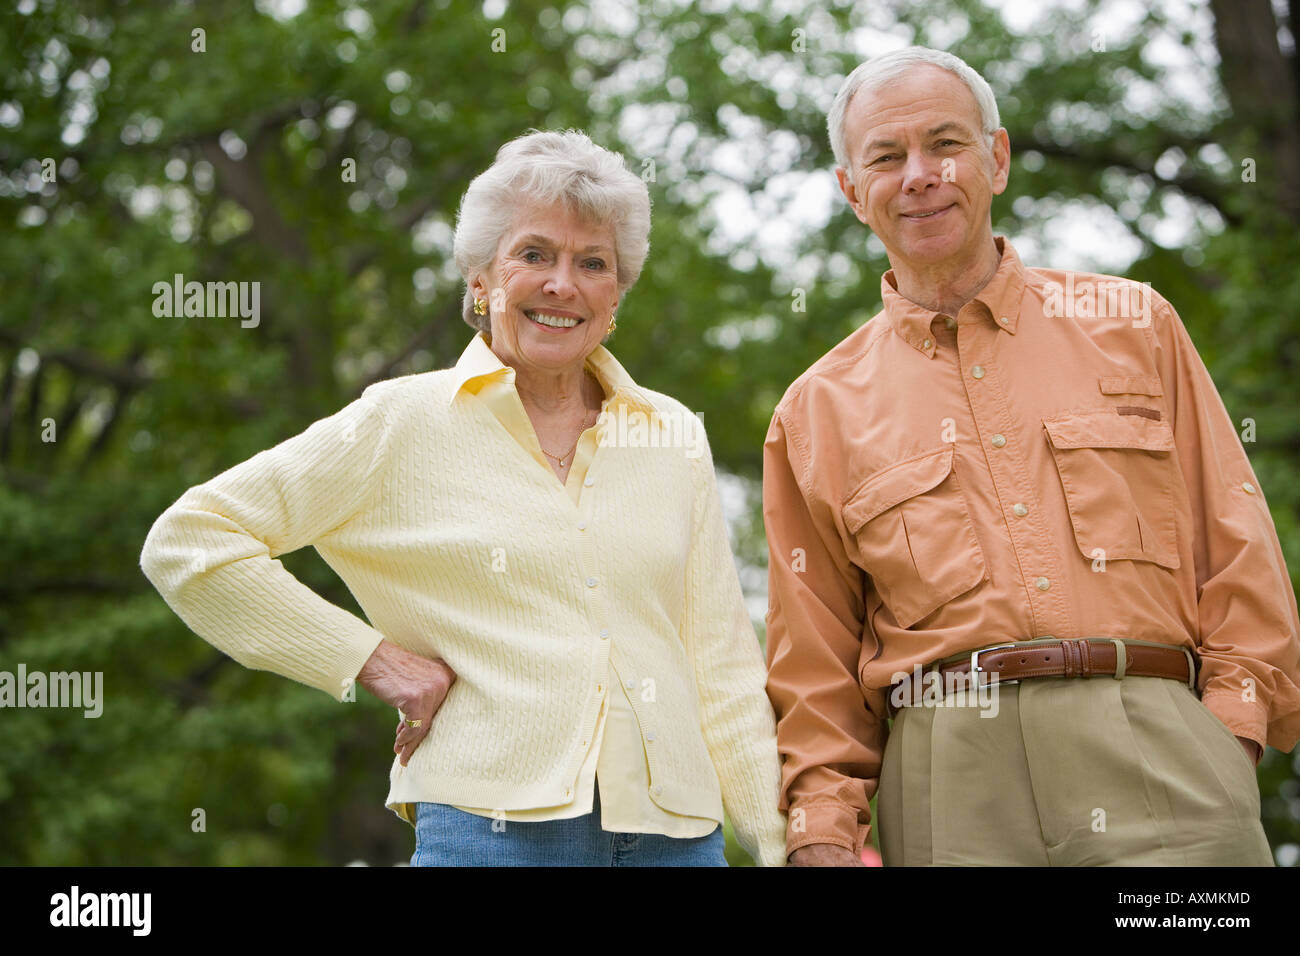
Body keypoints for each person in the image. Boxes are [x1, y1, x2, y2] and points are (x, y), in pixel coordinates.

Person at [141, 129, 787, 867]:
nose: (561, 284)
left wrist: (779, 844)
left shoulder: (672, 432)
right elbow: (190, 541)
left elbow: (722, 666)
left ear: (617, 296)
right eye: (534, 254)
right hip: (490, 836)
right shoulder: (401, 421)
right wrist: (374, 660)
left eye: (592, 263)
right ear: (480, 279)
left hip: (677, 841)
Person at [762, 47, 1300, 866]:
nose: (920, 175)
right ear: (851, 191)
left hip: (1164, 751)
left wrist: (1231, 730)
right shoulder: (815, 409)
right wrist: (823, 830)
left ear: (997, 158)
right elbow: (814, 658)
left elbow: (1236, 542)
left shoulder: (1135, 323)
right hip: (951, 783)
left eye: (945, 144)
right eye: (885, 156)